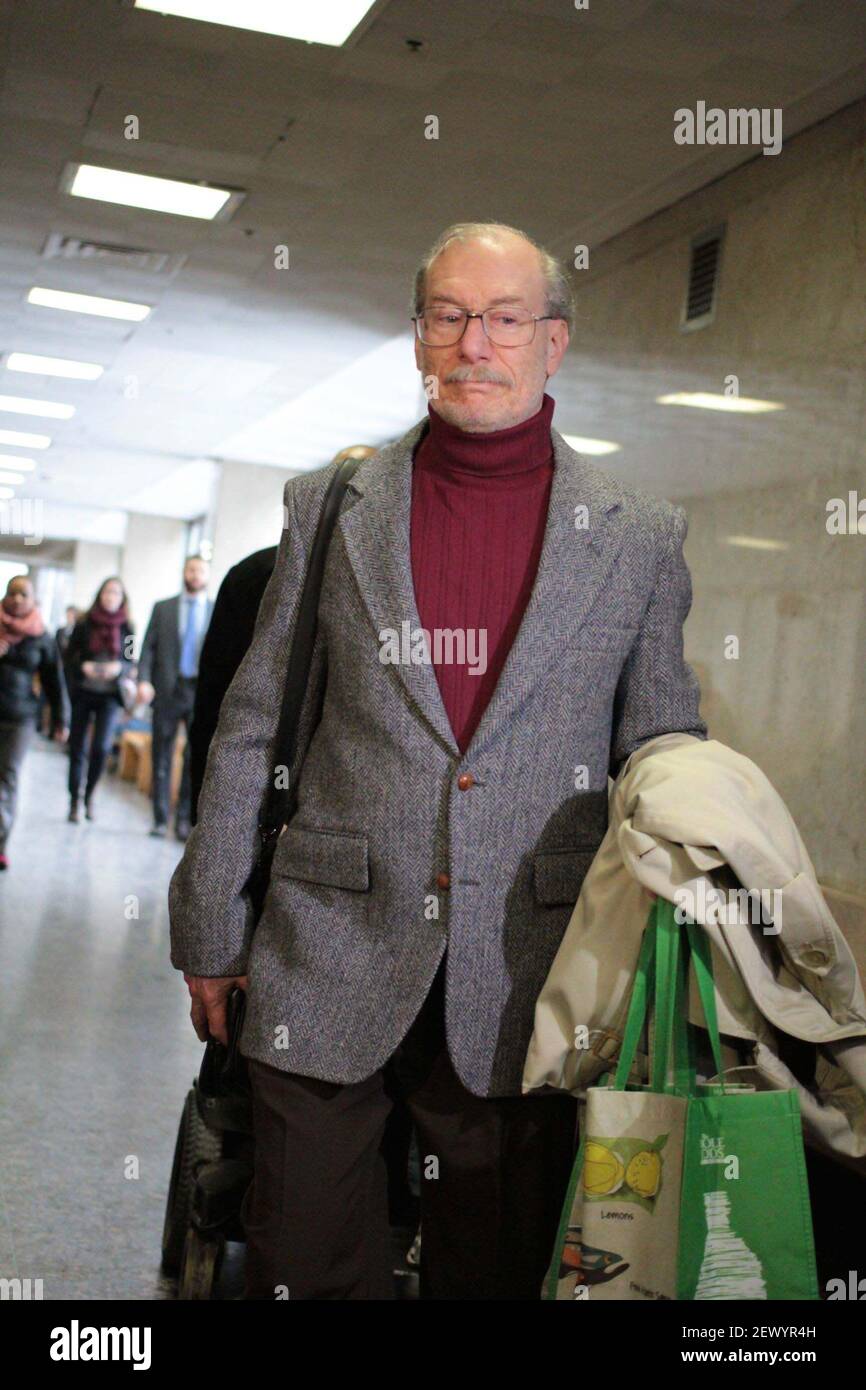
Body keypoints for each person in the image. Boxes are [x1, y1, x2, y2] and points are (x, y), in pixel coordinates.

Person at [169, 221, 707, 1300]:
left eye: (504, 319)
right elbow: (252, 720)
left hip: (530, 972)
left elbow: (658, 745)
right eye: (448, 316)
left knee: (495, 1267)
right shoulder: (329, 508)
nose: (475, 343)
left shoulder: (636, 533)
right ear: (417, 336)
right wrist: (210, 932)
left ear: (551, 343)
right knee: (303, 1258)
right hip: (324, 946)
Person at [187, 446, 377, 825]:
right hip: (261, 790)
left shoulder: (386, 588)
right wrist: (205, 810)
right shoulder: (254, 575)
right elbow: (216, 693)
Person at [136, 556, 212, 841]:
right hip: (167, 690)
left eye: (200, 570)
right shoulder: (163, 608)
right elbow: (148, 648)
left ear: (206, 575)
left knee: (194, 757)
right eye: (191, 569)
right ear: (184, 572)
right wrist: (144, 679)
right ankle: (158, 819)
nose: (195, 575)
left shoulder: (216, 609)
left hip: (199, 693)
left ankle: (183, 820)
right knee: (161, 755)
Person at [0, 574, 69, 870]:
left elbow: (55, 680)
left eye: (23, 595)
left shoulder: (42, 636)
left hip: (20, 718)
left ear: (33, 601)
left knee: (8, 777)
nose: (17, 599)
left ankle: (0, 844)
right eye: (13, 593)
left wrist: (61, 718)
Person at [65, 577, 134, 823]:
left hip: (110, 695)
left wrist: (119, 669)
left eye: (116, 592)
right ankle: (74, 800)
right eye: (107, 591)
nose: (111, 596)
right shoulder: (84, 623)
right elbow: (69, 655)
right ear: (100, 594)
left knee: (101, 748)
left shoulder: (128, 627)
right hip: (84, 691)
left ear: (122, 598)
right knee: (77, 747)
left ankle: (89, 796)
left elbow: (129, 660)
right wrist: (84, 667)